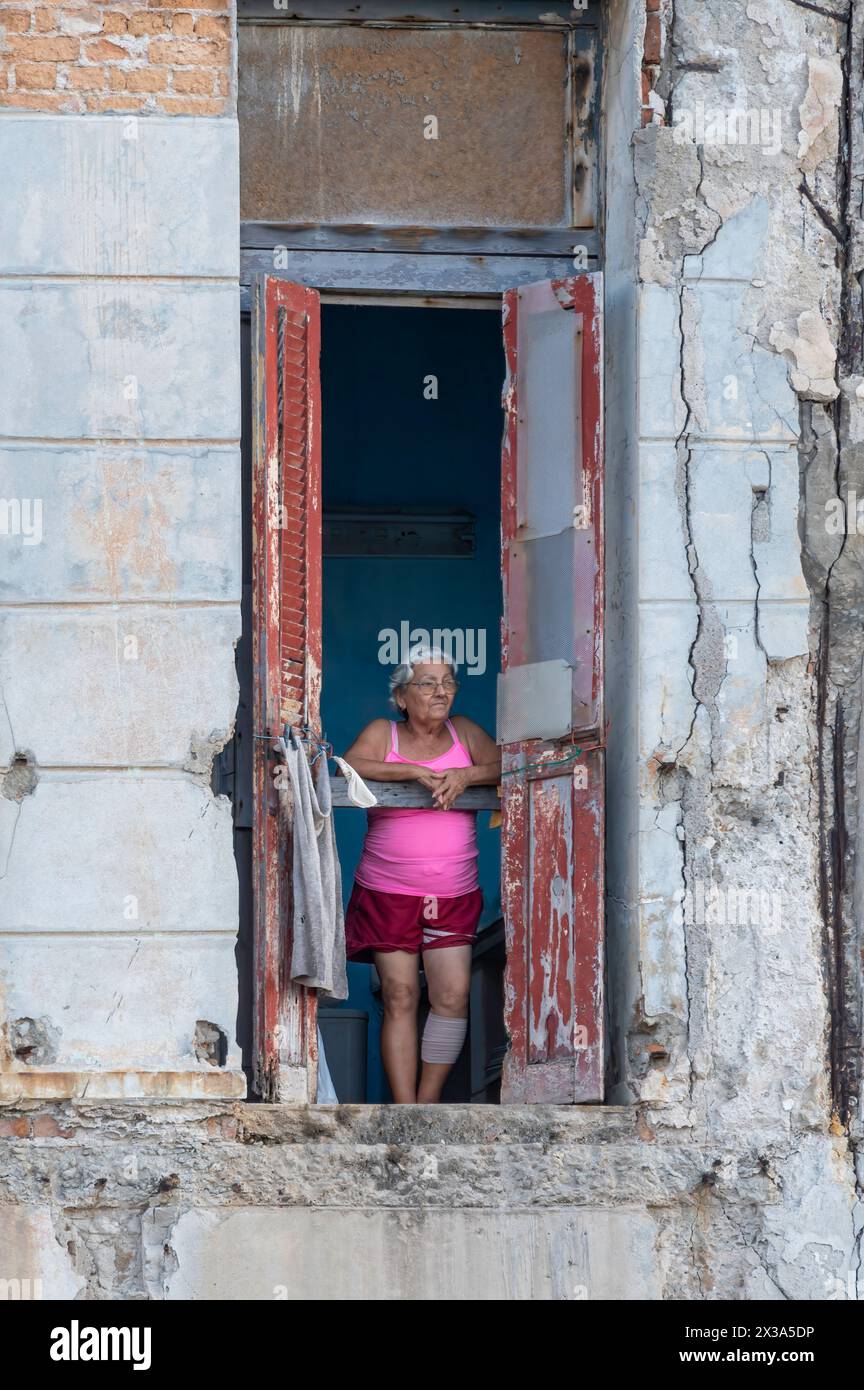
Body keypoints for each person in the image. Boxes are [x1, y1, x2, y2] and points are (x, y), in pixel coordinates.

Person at [340, 645, 501, 1103]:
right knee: (400, 994)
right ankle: (404, 1108)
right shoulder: (382, 732)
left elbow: (511, 764)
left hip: (453, 890)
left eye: (448, 682)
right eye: (427, 683)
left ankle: (426, 1106)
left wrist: (467, 777)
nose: (440, 691)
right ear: (402, 697)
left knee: (451, 996)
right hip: (388, 890)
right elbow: (352, 764)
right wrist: (409, 771)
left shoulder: (465, 733)